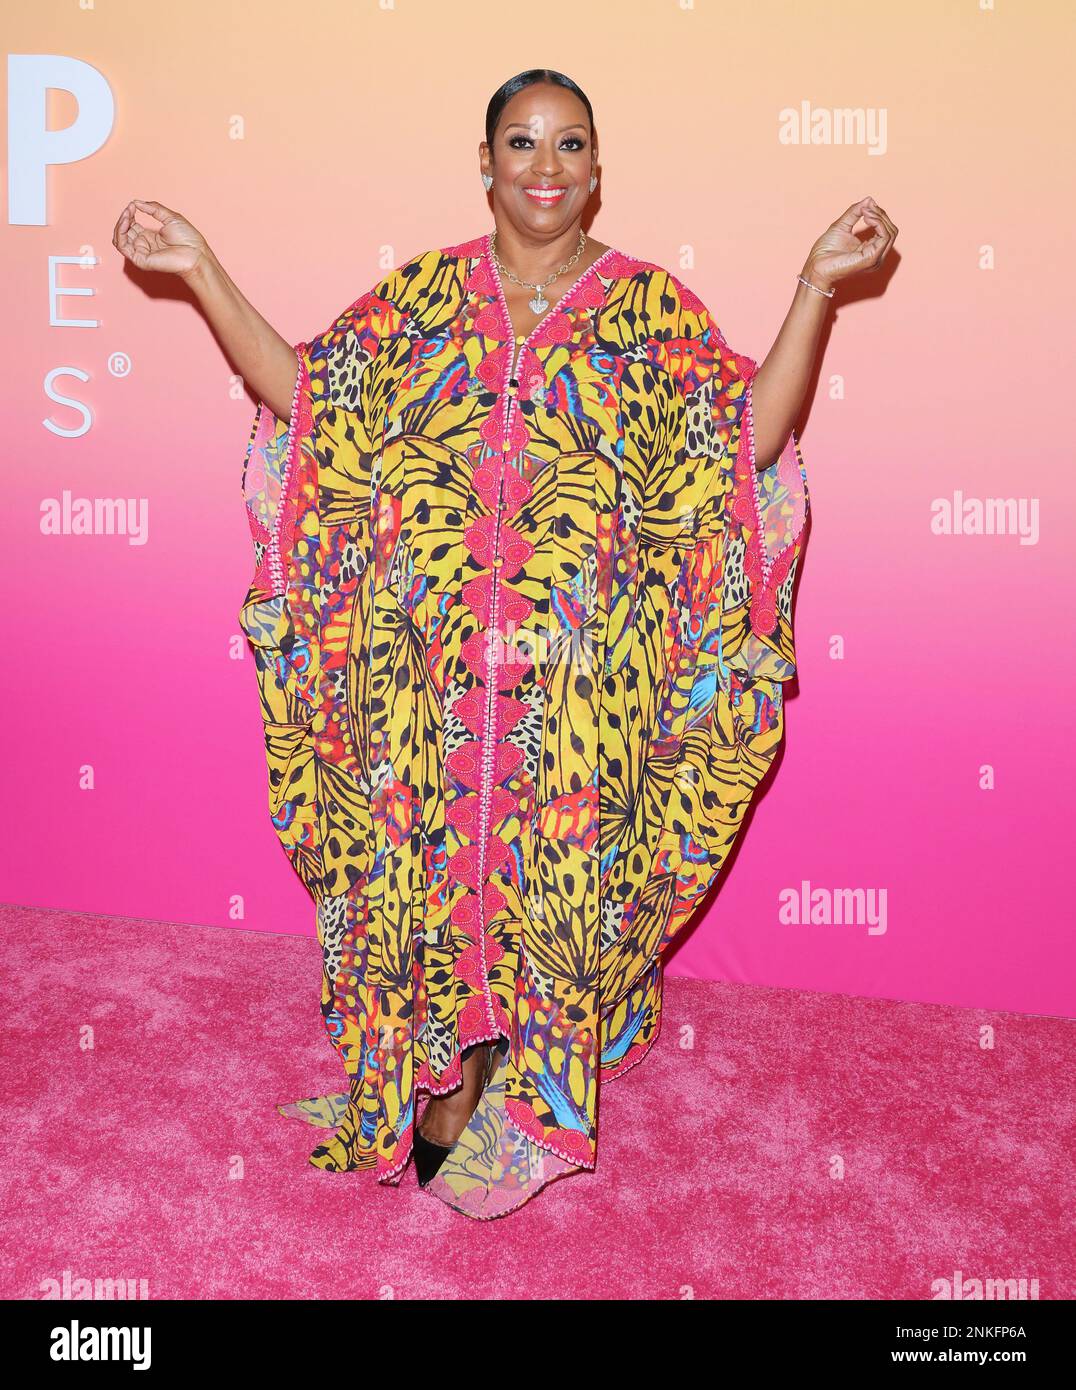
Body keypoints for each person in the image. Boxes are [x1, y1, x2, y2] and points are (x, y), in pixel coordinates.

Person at [111, 67, 897, 1221]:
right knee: (423, 866)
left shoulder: (649, 311)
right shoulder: (421, 300)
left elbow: (744, 442)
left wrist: (813, 288)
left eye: (568, 145)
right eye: (519, 143)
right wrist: (197, 269)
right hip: (429, 680)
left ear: (595, 167)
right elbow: (311, 399)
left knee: (550, 880)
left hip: (574, 691)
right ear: (483, 164)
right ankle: (441, 1075)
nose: (543, 167)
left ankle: (525, 1094)